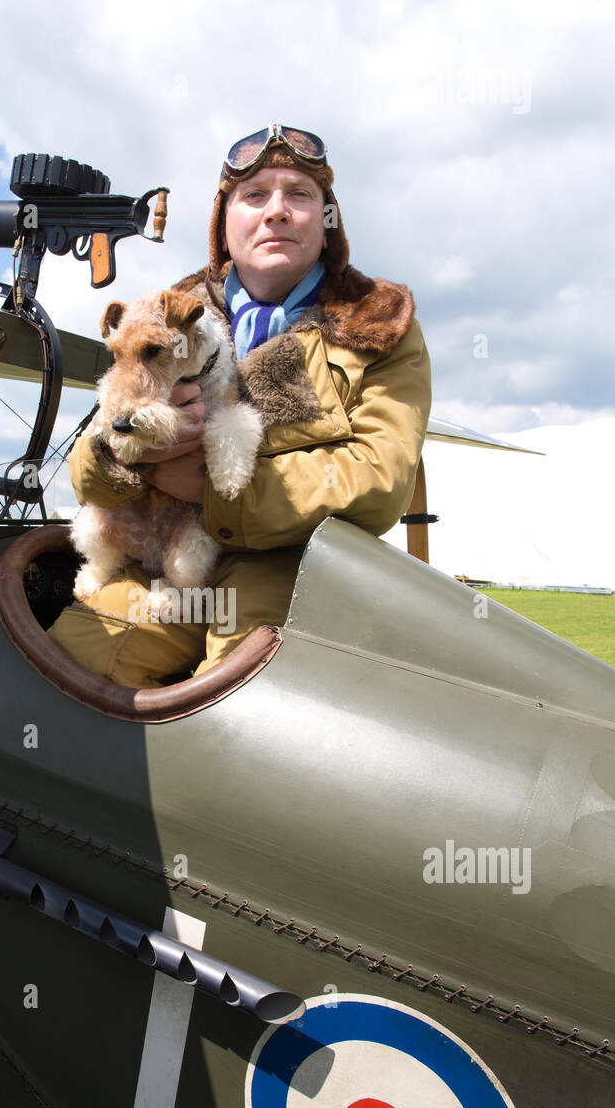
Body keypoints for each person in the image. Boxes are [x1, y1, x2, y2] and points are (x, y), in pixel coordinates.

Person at [47, 124, 432, 687]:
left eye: (300, 194)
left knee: (239, 704)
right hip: (156, 543)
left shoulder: (376, 324)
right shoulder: (164, 314)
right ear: (222, 227)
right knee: (73, 665)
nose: (276, 210)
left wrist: (208, 487)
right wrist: (119, 458)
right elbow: (98, 448)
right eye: (254, 195)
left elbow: (381, 480)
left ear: (327, 224)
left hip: (287, 562)